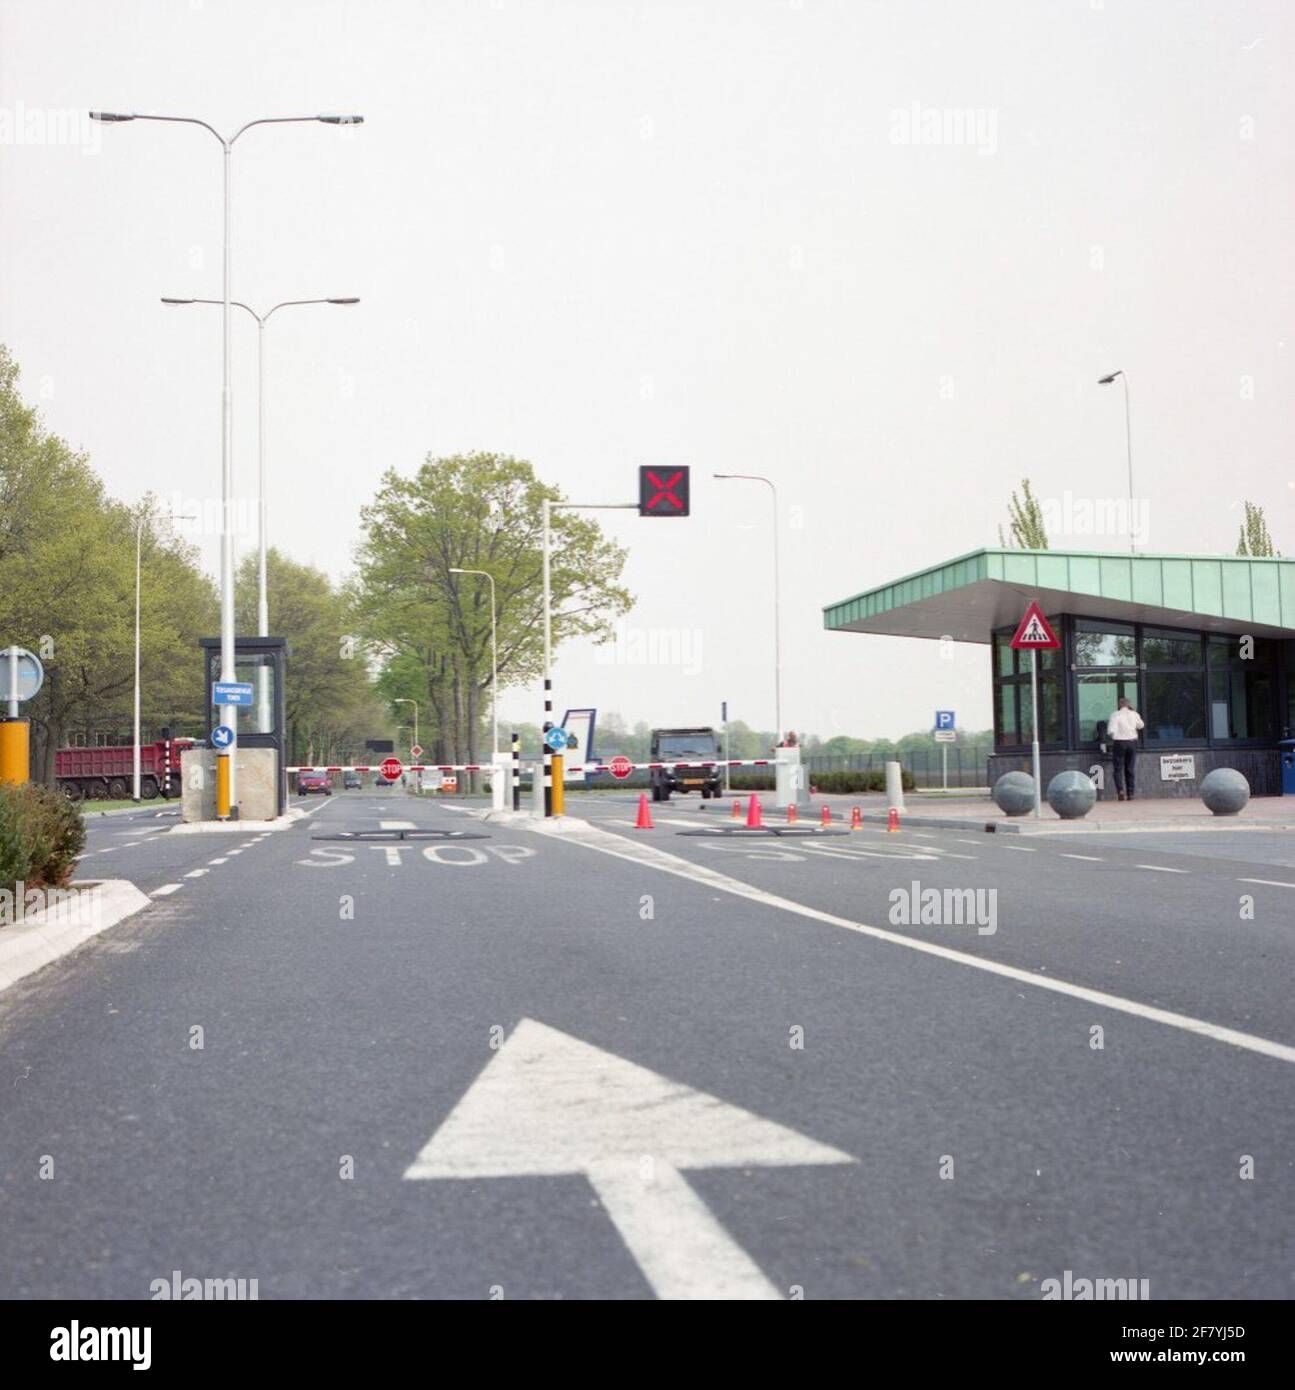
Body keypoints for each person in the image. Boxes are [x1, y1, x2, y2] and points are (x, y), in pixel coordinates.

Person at [1107, 697, 1144, 800]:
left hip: (1119, 743)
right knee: (1130, 768)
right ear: (1129, 704)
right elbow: (1141, 725)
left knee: (1118, 769)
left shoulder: (1115, 715)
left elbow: (1111, 731)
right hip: (1132, 742)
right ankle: (1131, 793)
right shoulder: (1134, 714)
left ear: (1119, 705)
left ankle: (1120, 791)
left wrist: (1114, 736)